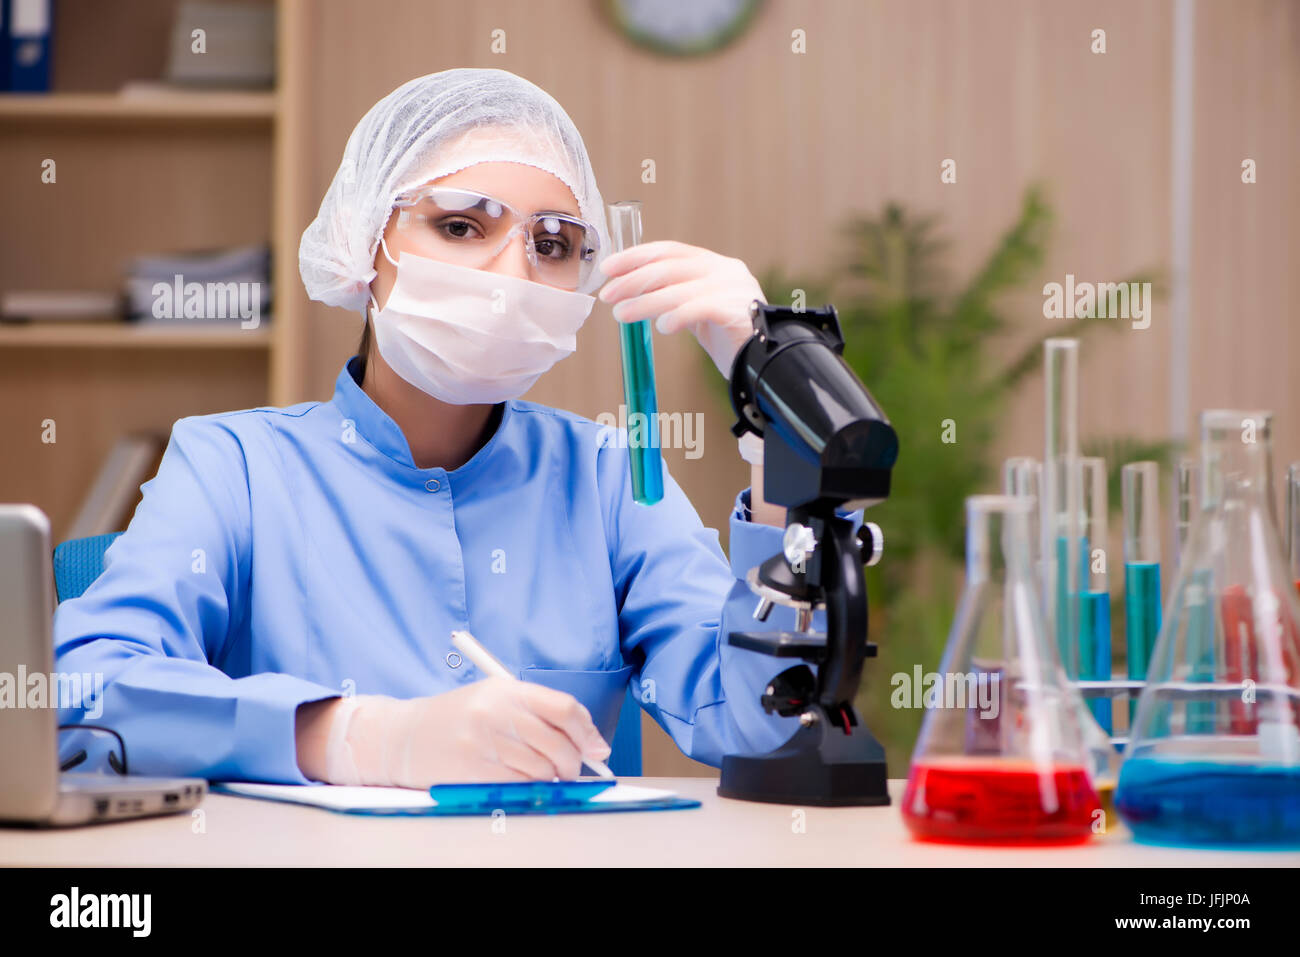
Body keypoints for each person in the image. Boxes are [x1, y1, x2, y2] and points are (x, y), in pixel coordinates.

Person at [53, 68, 834, 788]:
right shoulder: (234, 466)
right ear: (365, 245)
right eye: (462, 227)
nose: (511, 273)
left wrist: (781, 416)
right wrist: (358, 736)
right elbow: (85, 693)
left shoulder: (610, 477)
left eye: (553, 243)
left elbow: (763, 725)